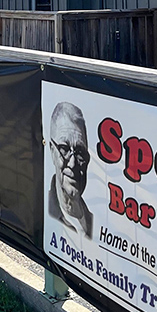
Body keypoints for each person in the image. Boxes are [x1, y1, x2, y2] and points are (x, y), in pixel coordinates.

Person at [48, 101, 93, 238]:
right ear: (52, 151)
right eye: (64, 149)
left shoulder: (93, 222)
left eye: (80, 152)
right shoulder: (43, 210)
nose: (73, 163)